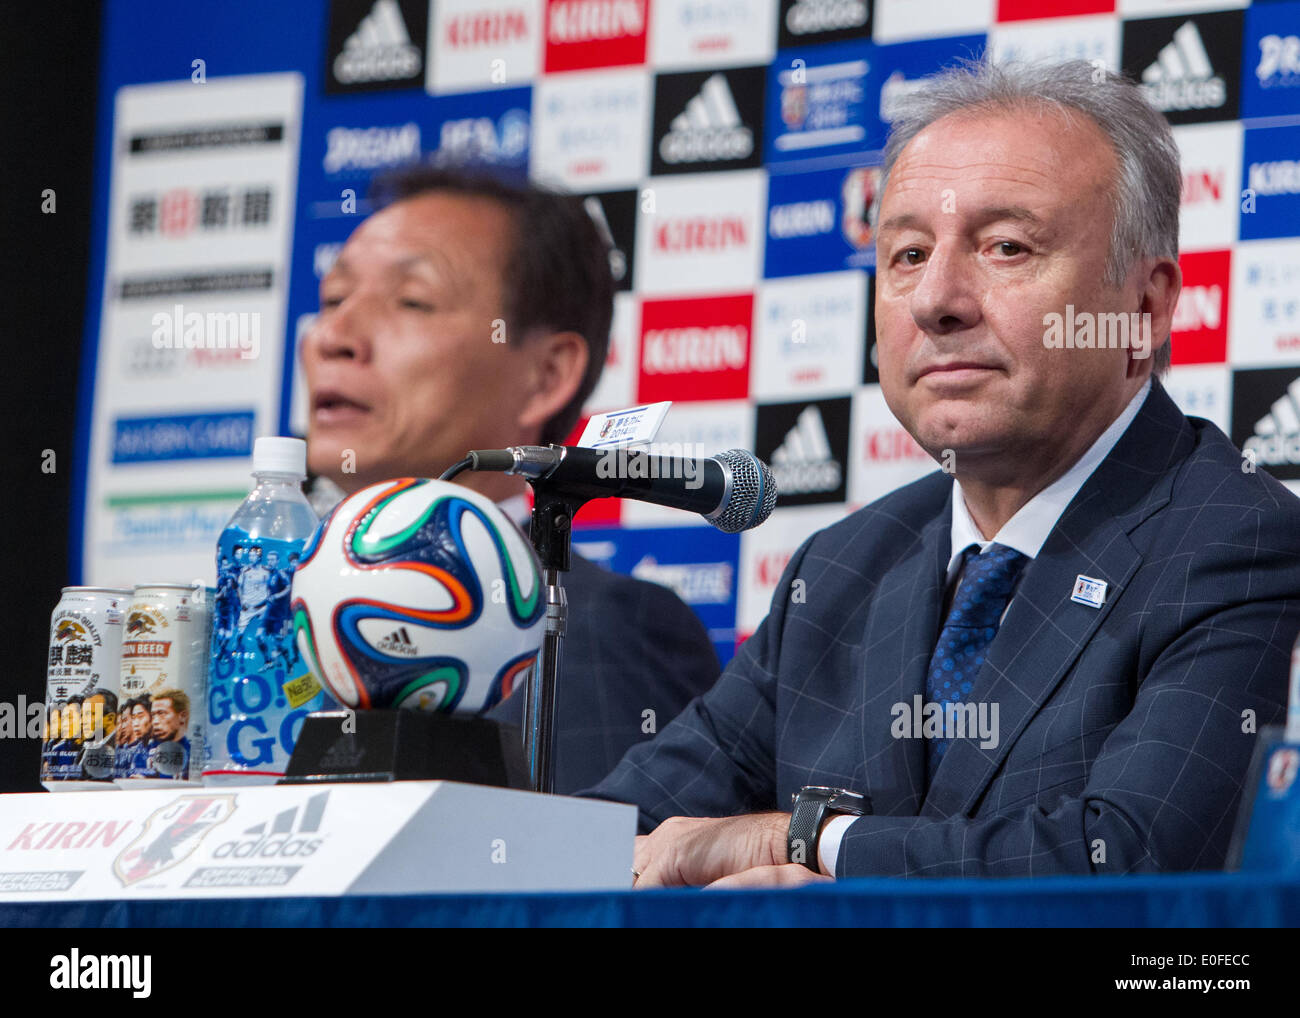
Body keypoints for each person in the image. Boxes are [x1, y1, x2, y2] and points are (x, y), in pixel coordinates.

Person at [590, 59, 1300, 885]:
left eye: (1006, 247)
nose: (937, 300)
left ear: (1143, 311)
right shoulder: (847, 564)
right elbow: (624, 825)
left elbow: (1130, 859)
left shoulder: (1239, 544)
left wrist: (802, 842)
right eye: (907, 253)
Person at [298, 165, 720, 793]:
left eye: (411, 301)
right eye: (333, 299)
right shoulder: (259, 602)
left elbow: (597, 875)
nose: (333, 337)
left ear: (546, 375)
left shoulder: (596, 626)